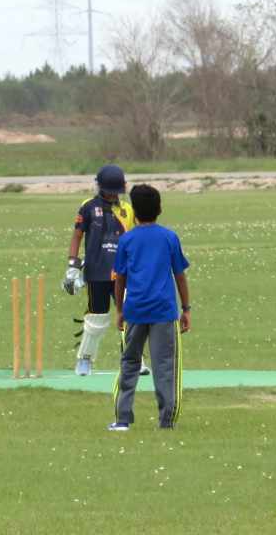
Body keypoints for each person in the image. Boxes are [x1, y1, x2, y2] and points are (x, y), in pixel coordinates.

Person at [109, 184, 190, 432]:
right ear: (160, 209)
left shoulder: (127, 240)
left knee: (129, 362)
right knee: (164, 365)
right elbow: (179, 275)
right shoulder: (169, 237)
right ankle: (166, 421)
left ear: (134, 212)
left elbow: (119, 278)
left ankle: (123, 419)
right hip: (164, 312)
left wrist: (120, 309)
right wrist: (186, 308)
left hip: (134, 310)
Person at [64, 164, 137, 376]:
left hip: (123, 273)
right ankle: (85, 359)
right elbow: (77, 236)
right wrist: (72, 266)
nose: (113, 194)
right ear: (100, 187)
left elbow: (135, 241)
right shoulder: (88, 207)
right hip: (96, 272)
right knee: (96, 318)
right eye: (110, 190)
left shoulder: (128, 210)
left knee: (131, 316)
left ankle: (134, 360)